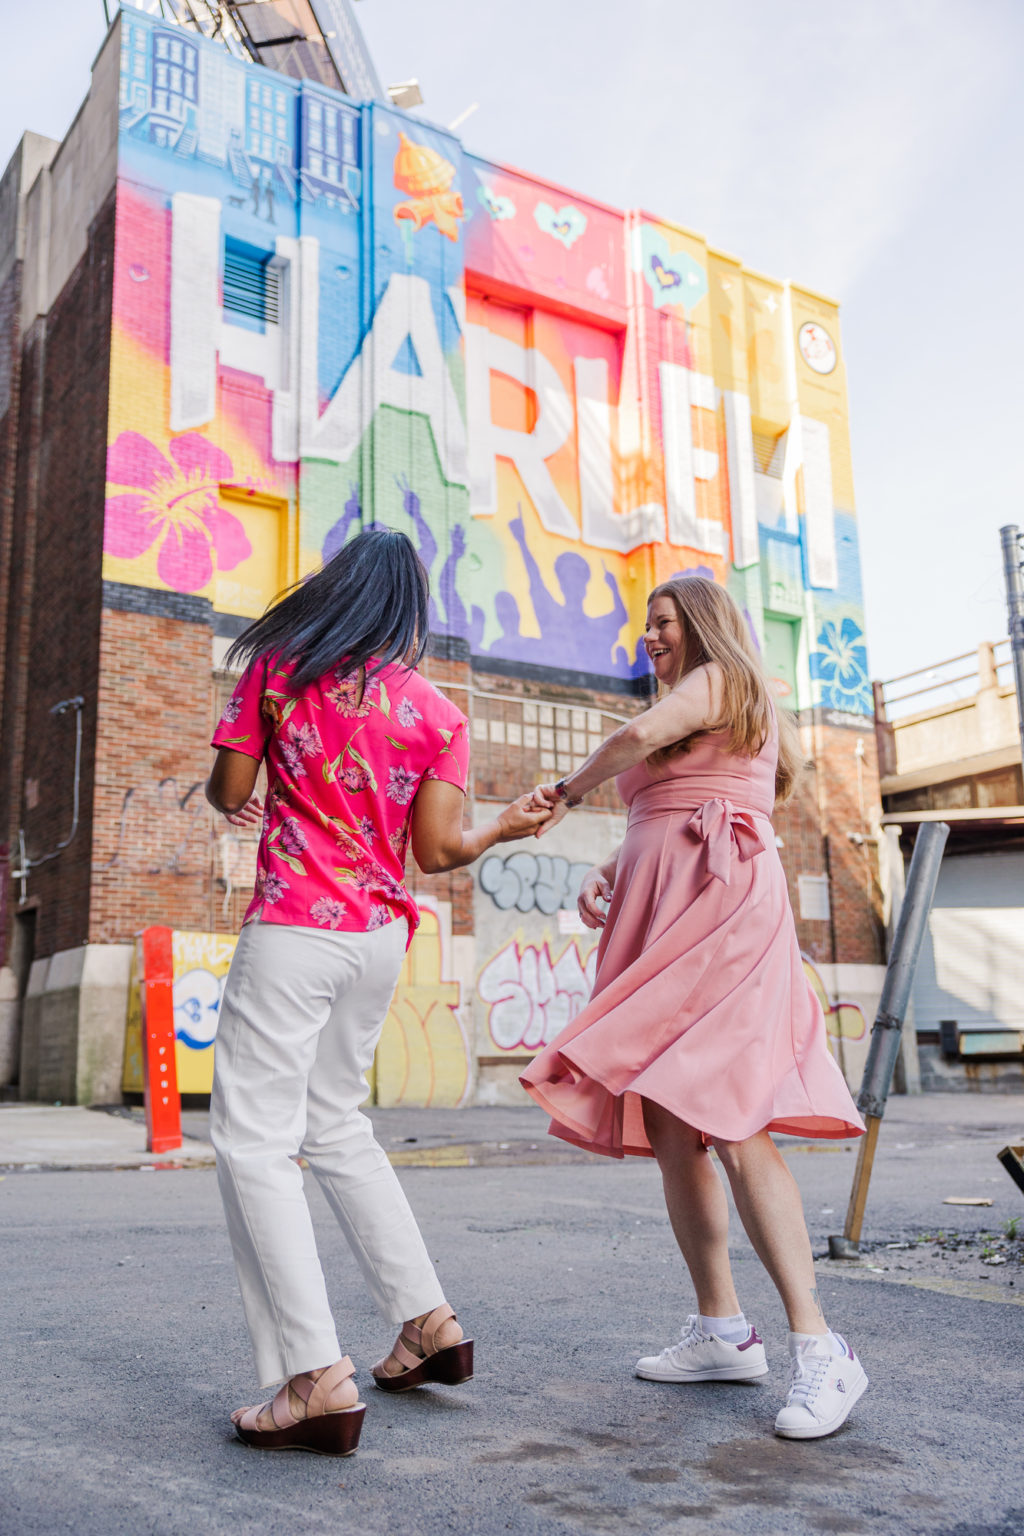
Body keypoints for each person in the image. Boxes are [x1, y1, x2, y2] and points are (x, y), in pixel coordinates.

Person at [205, 527, 549, 1455]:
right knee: (336, 1124)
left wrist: (253, 775)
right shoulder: (436, 711)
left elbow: (227, 786)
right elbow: (437, 853)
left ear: (337, 588)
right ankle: (427, 1323)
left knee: (252, 1141)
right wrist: (504, 829)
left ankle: (314, 1376)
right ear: (408, 608)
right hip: (380, 937)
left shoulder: (278, 665)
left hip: (294, 926)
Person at [521, 576, 869, 1441]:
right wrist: (616, 861)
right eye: (646, 623)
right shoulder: (696, 706)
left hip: (720, 915)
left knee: (736, 1118)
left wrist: (562, 792)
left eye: (664, 622)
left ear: (704, 627)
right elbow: (668, 796)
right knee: (673, 1124)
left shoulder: (721, 680)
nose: (649, 636)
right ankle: (722, 1329)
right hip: (667, 908)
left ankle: (824, 1350)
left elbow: (639, 738)